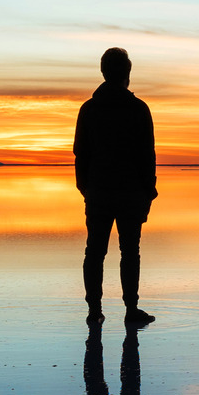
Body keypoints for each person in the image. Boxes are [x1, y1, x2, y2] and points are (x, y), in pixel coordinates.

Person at [75, 47, 157, 326]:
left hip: (100, 191)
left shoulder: (89, 109)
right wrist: (148, 191)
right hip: (129, 192)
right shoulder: (138, 109)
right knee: (129, 252)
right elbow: (147, 155)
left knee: (95, 252)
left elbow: (80, 154)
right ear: (127, 74)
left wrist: (86, 188)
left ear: (103, 72)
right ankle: (130, 309)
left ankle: (94, 311)